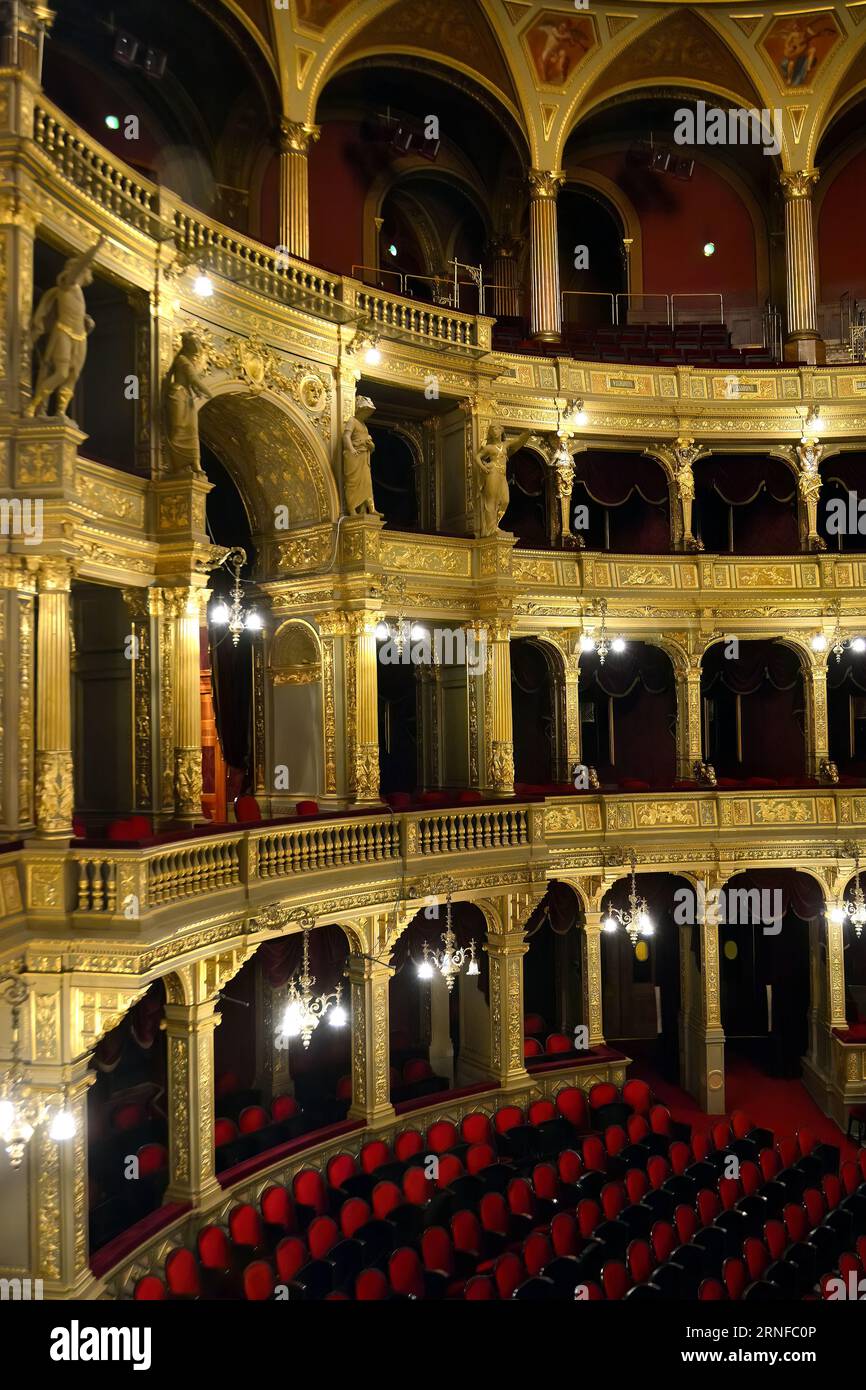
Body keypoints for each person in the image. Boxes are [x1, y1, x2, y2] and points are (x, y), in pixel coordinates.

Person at [25, 235, 105, 419]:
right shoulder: (68, 283)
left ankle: (61, 411)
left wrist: (85, 320)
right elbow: (82, 264)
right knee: (60, 373)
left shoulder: (76, 290)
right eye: (85, 269)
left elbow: (74, 310)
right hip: (64, 332)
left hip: (80, 336)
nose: (87, 272)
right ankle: (35, 406)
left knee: (72, 375)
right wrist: (96, 247)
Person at [163, 332, 212, 473]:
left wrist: (197, 392)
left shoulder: (187, 360)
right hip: (177, 395)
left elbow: (192, 383)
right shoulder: (183, 360)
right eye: (195, 344)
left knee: (192, 431)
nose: (197, 349)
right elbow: (193, 379)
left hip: (186, 396)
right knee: (179, 429)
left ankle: (194, 463)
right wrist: (209, 394)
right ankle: (175, 464)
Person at [474, 424, 530, 537]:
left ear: (502, 430)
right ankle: (491, 529)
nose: (495, 431)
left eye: (498, 428)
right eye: (493, 429)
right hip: (493, 472)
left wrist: (527, 431)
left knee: (505, 500)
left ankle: (495, 524)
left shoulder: (506, 444)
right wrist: (483, 467)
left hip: (502, 474)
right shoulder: (489, 447)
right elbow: (477, 457)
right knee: (491, 500)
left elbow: (519, 440)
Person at [342, 396, 380, 516]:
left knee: (366, 483)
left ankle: (369, 509)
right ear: (360, 410)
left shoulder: (364, 425)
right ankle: (352, 509)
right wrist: (351, 449)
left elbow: (370, 446)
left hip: (364, 456)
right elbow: (346, 436)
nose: (367, 414)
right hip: (354, 456)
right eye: (366, 411)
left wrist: (371, 446)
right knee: (353, 482)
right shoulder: (352, 421)